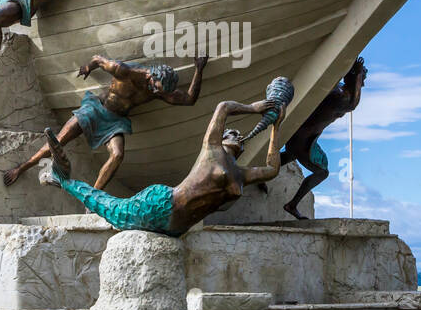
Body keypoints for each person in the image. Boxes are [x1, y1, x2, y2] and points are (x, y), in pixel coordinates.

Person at [42, 87, 289, 238]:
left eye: (239, 136)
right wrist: (253, 108)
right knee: (109, 206)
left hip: (176, 227)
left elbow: (272, 169)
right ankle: (63, 180)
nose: (237, 136)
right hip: (161, 204)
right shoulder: (212, 151)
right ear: (222, 139)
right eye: (231, 133)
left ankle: (62, 180)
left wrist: (276, 129)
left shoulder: (241, 175)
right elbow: (223, 107)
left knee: (110, 207)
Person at [2, 54, 208, 190]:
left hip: (116, 121)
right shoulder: (123, 71)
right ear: (152, 76)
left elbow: (189, 99)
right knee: (60, 139)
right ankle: (22, 168)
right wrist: (87, 67)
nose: (157, 93)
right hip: (96, 109)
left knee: (118, 155)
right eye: (156, 88)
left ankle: (92, 197)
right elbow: (98, 59)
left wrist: (199, 69)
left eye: (161, 92)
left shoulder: (159, 89)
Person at [279, 57, 366, 218]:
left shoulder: (335, 90)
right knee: (322, 172)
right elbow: (354, 102)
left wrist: (354, 70)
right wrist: (359, 74)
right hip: (304, 140)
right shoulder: (344, 99)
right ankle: (292, 204)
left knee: (290, 155)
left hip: (300, 135)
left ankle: (257, 172)